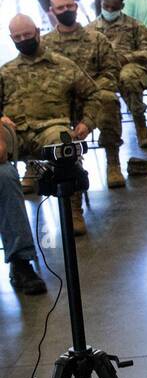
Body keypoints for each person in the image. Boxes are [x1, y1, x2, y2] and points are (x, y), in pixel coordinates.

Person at [1, 14, 98, 237]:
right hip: (16, 133)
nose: (24, 39)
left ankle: (73, 210)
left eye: (27, 34)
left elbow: (94, 94)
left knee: (62, 143)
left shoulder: (63, 66)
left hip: (51, 130)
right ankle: (13, 233)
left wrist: (87, 122)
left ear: (37, 31)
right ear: (11, 38)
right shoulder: (5, 72)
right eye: (18, 37)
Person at [41, 0, 123, 187]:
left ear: (76, 7)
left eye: (69, 6)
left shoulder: (96, 39)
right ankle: (65, 171)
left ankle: (113, 162)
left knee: (108, 100)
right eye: (61, 7)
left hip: (93, 96)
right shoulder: (45, 45)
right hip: (61, 101)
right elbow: (41, 79)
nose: (66, 10)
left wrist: (89, 91)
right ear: (52, 11)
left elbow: (111, 72)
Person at [92, 0, 147, 151]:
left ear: (121, 6)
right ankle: (106, 129)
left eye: (114, 7)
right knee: (97, 88)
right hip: (103, 70)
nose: (109, 9)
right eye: (106, 5)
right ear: (100, 1)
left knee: (128, 78)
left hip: (131, 66)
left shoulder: (134, 25)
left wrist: (126, 58)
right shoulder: (91, 30)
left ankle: (140, 125)